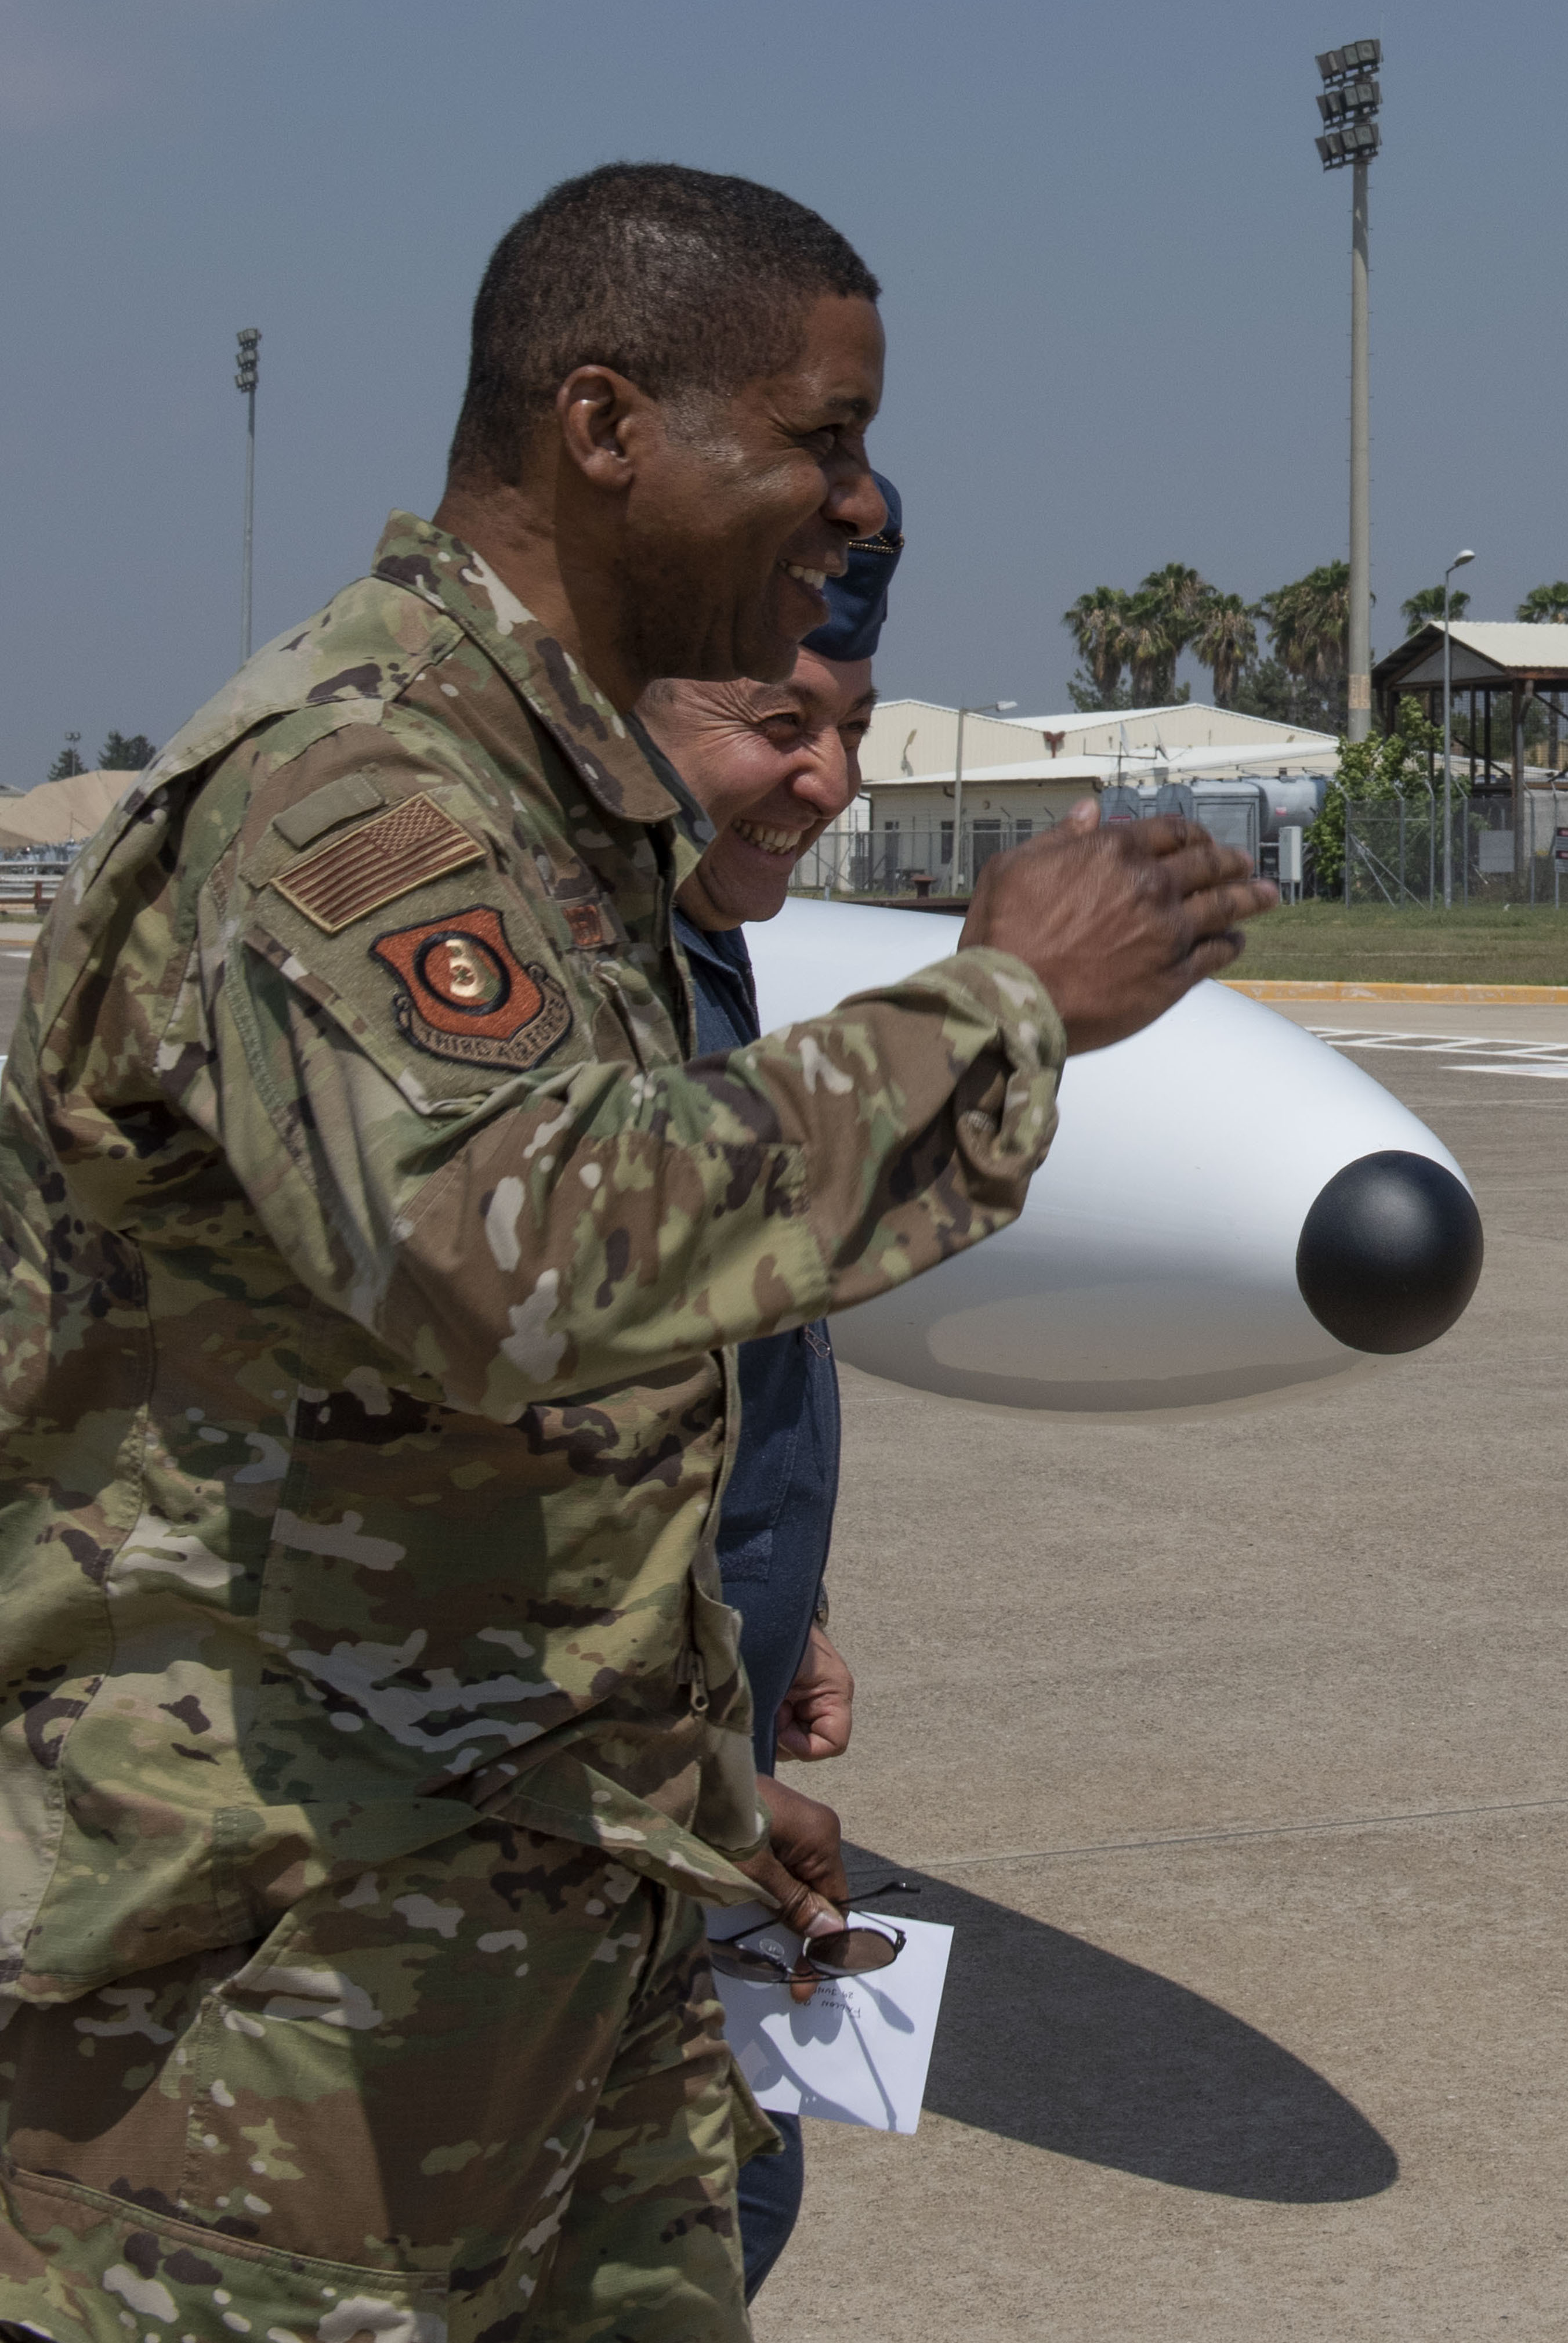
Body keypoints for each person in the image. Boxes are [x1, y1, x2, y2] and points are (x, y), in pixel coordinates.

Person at [0, 163, 1273, 2343]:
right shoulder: (354, 794)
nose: (856, 506)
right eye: (818, 440)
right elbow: (520, 1257)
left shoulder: (558, 812)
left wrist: (693, 1782)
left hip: (558, 1926)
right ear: (608, 427)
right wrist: (1001, 1005)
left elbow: (525, 1433)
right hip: (291, 1995)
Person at [638, 469, 902, 2297]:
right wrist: (693, 1781)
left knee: (728, 2210)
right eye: (778, 722)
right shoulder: (560, 960)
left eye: (855, 726)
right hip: (562, 1819)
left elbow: (698, 1355)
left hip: (672, 1745)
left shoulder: (696, 929)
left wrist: (779, 1600)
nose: (833, 783)